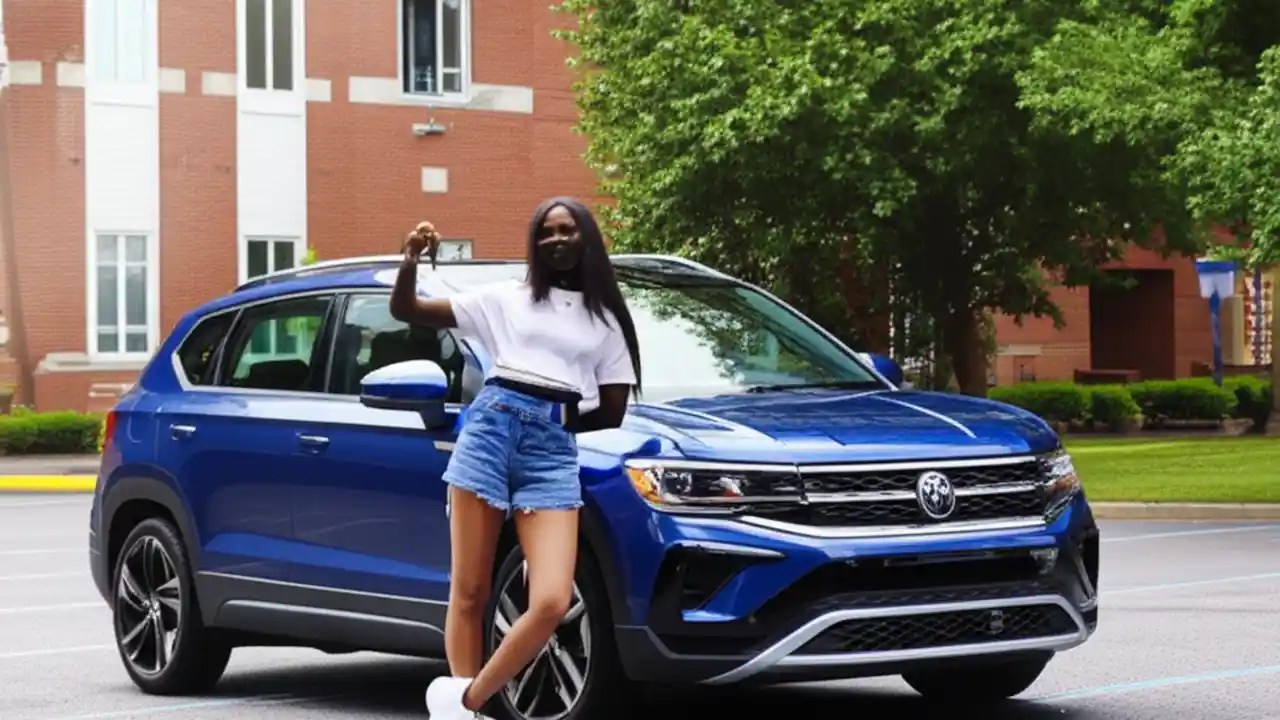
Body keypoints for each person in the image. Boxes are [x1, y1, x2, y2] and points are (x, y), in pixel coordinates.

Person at [388, 197, 642, 719]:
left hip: (552, 450)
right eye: (545, 231)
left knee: (550, 601)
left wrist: (552, 420)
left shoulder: (606, 320)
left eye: (566, 229)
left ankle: (463, 702)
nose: (555, 239)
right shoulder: (508, 297)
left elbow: (612, 409)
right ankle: (465, 716)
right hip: (489, 432)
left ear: (587, 237)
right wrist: (410, 260)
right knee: (470, 590)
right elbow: (408, 310)